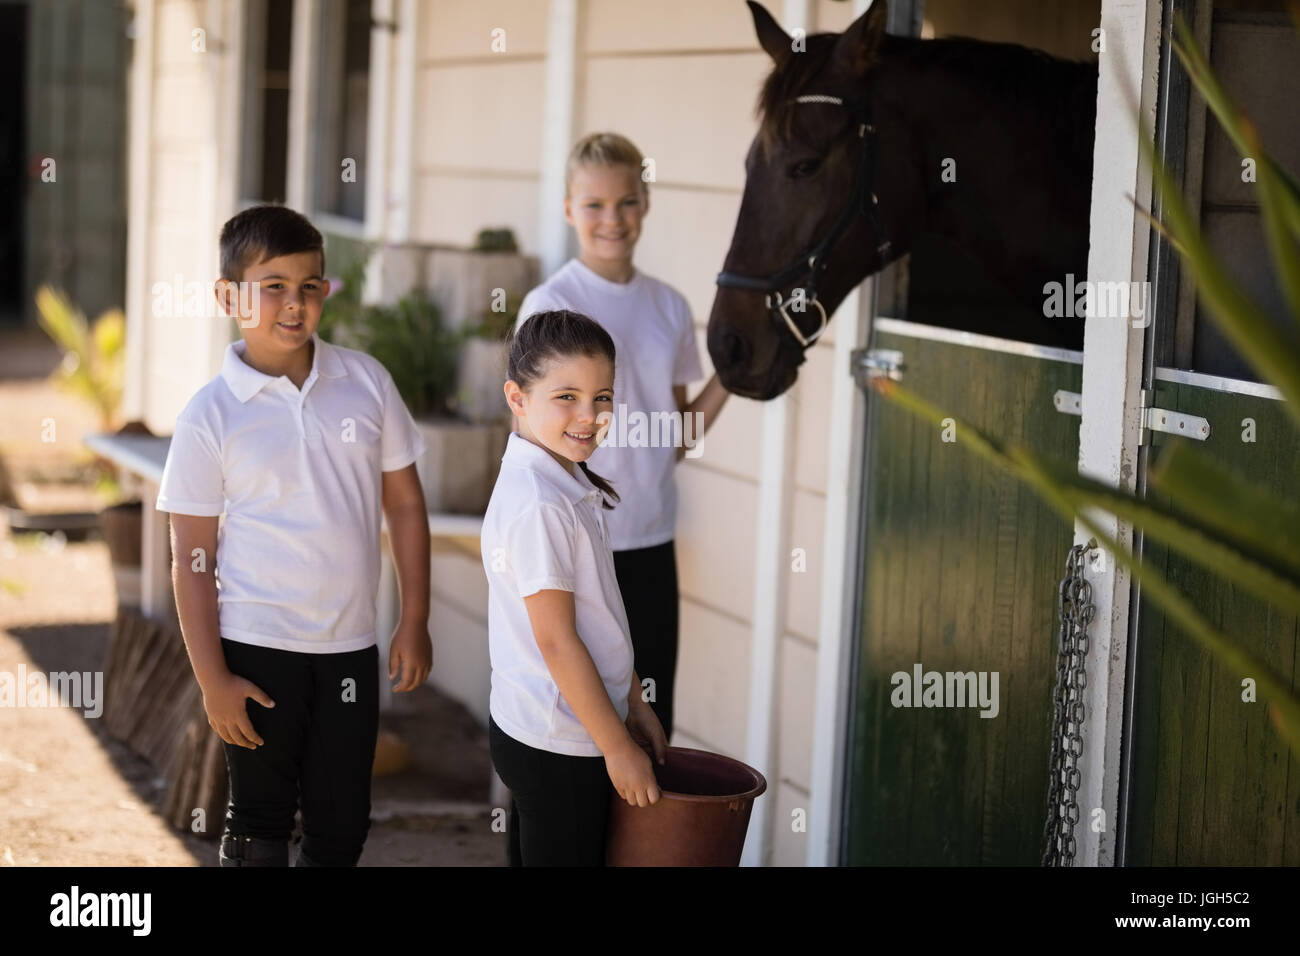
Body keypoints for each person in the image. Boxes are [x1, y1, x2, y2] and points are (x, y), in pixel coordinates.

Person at [156, 204, 432, 866]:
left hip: (348, 648)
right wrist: (212, 678)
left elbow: (406, 503)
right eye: (272, 286)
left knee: (343, 825)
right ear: (229, 296)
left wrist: (415, 618)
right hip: (257, 647)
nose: (293, 304)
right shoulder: (209, 416)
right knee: (259, 824)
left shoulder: (366, 383)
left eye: (310, 286)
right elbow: (192, 560)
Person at [515, 132, 731, 741]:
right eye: (594, 205)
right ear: (567, 209)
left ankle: (639, 840)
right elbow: (530, 440)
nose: (613, 219)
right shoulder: (551, 304)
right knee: (572, 719)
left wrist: (734, 377)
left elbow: (677, 434)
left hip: (651, 539)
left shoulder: (669, 306)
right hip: (580, 543)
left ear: (646, 203)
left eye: (628, 201)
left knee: (650, 721)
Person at [484, 309, 669, 866]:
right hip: (560, 741)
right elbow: (558, 642)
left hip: (563, 727)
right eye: (566, 397)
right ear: (517, 398)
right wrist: (617, 748)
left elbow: (598, 618)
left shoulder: (563, 479)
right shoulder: (540, 504)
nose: (590, 416)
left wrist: (634, 701)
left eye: (603, 397)